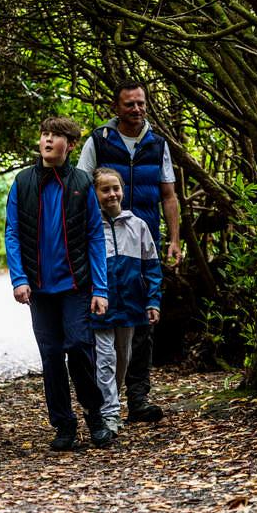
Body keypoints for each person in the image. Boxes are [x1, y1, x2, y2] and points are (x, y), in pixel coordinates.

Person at [5, 116, 114, 451]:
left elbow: (96, 236)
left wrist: (100, 288)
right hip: (39, 288)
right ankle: (64, 425)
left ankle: (95, 417)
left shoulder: (82, 182)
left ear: (70, 145)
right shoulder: (23, 182)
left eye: (56, 136)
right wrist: (19, 278)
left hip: (76, 286)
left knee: (80, 348)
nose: (48, 140)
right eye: (44, 135)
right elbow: (12, 233)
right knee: (51, 356)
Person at [78, 79, 181, 423]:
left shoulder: (158, 144)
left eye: (140, 103)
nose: (136, 110)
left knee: (144, 322)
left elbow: (168, 195)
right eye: (129, 105)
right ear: (116, 108)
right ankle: (104, 401)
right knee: (103, 325)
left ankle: (137, 398)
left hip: (143, 240)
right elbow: (79, 189)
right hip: (102, 242)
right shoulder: (99, 141)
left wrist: (174, 240)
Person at [91, 168, 161, 434]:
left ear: (123, 190)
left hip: (131, 304)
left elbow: (152, 266)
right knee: (105, 357)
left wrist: (152, 301)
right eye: (105, 190)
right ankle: (108, 413)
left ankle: (112, 400)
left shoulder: (138, 225)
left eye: (115, 188)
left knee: (124, 356)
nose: (112, 194)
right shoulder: (92, 225)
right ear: (95, 193)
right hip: (103, 304)